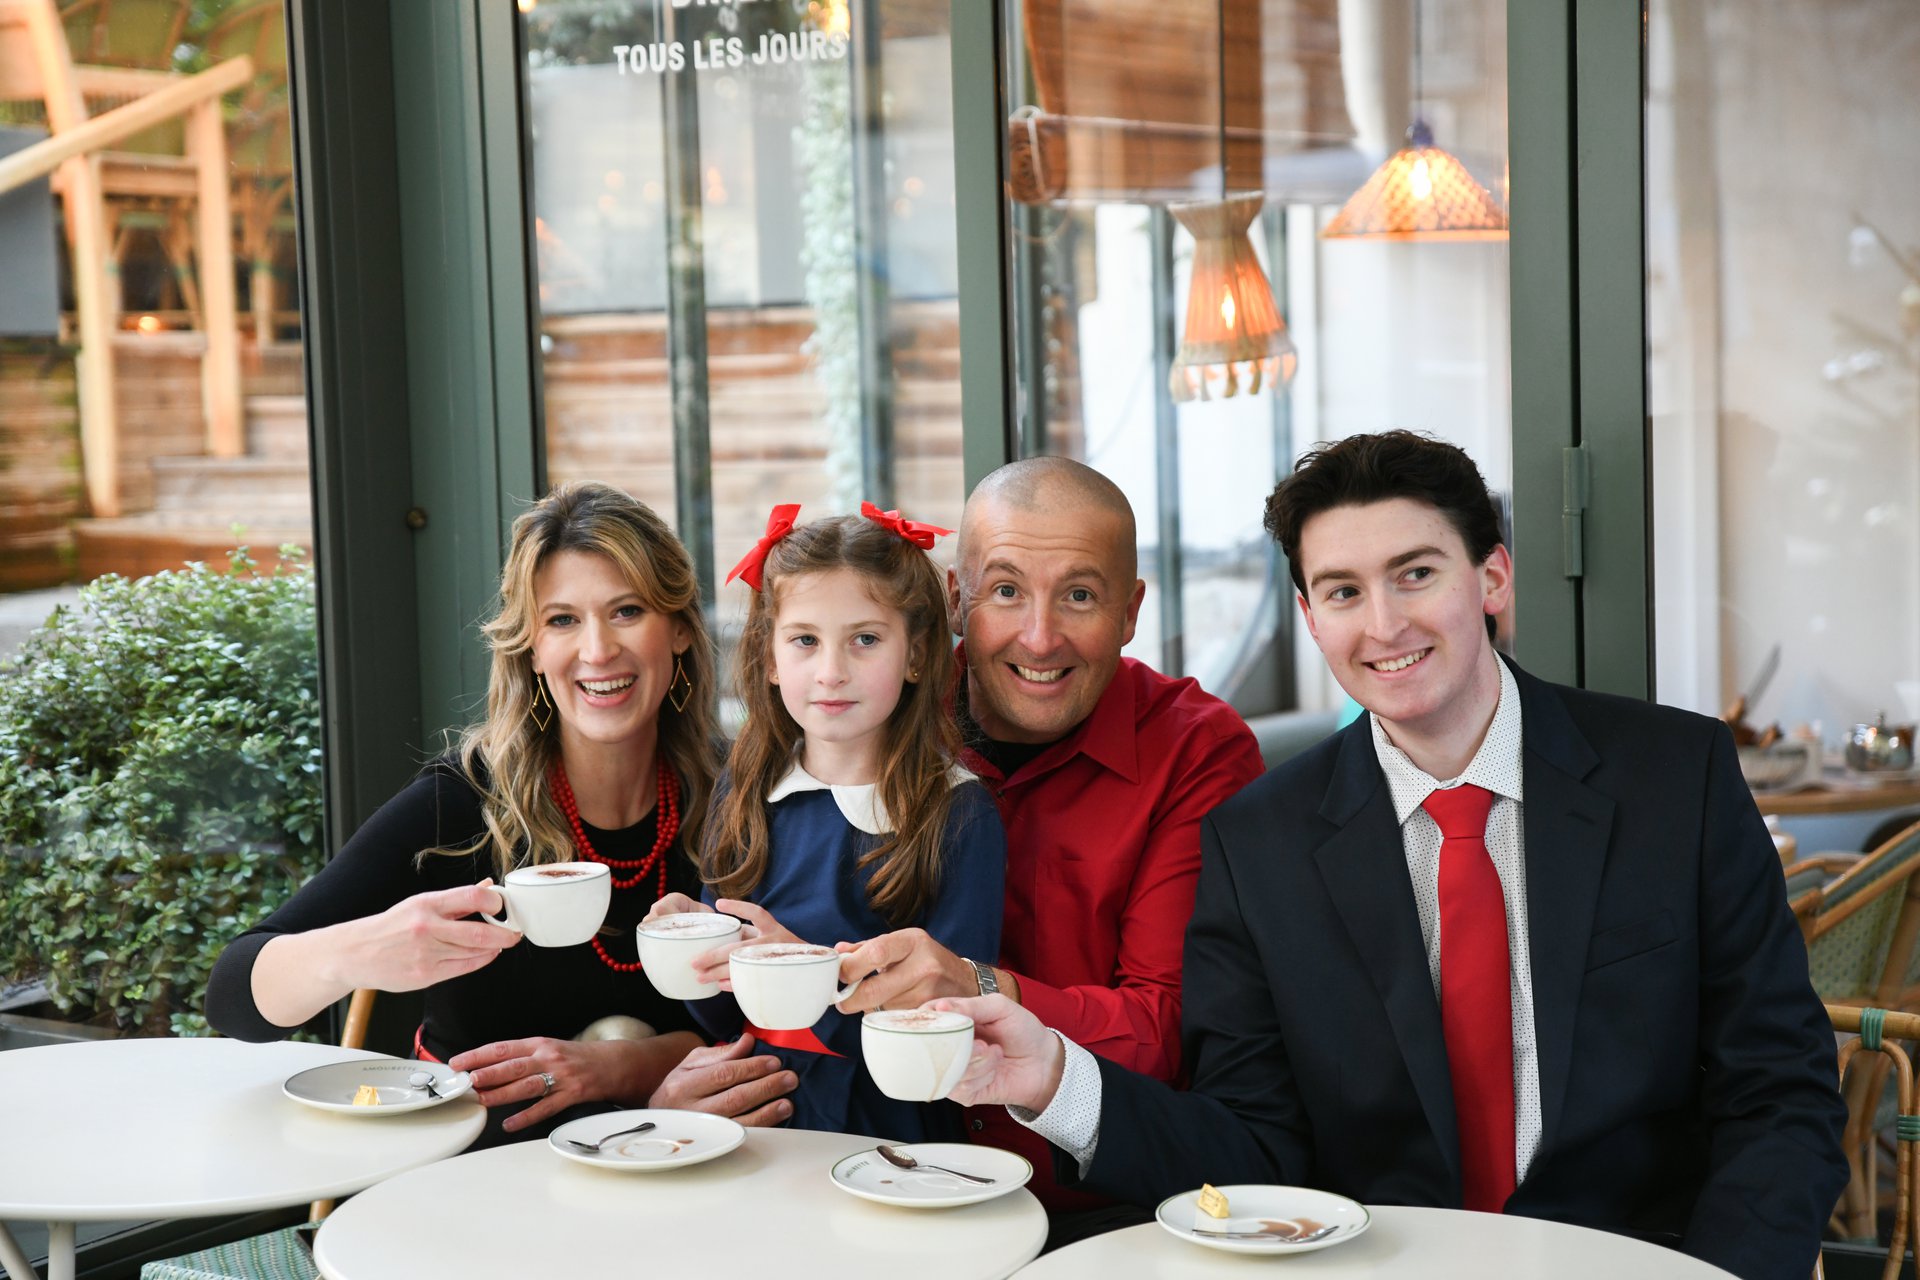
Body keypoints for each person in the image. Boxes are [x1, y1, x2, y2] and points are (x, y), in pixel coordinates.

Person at [935, 431, 1848, 1280]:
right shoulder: (1260, 843)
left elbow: (1779, 1092)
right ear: (1308, 614)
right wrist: (1056, 1078)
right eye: (1342, 592)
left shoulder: (1673, 776)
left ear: (1491, 577)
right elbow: (1251, 1152)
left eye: (1414, 574)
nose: (1383, 625)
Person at [207, 482, 797, 1145]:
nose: (597, 650)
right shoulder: (459, 804)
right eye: (563, 620)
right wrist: (356, 952)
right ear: (531, 647)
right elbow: (235, 998)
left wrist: (615, 1071)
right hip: (478, 1173)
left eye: (627, 611)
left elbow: (771, 1013)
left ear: (681, 629)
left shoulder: (742, 795)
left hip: (684, 1166)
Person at [833, 459, 1266, 1213]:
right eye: (1006, 591)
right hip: (872, 1176)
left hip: (1101, 1209)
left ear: (1130, 612)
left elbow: (1167, 1030)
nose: (1040, 638)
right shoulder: (873, 714)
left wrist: (979, 988)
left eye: (1079, 596)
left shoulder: (1197, 753)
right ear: (956, 598)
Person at [647, 503, 1005, 1143]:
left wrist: (794, 967)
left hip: (890, 1136)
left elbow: (950, 1027)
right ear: (769, 657)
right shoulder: (745, 788)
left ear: (917, 655)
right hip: (754, 1123)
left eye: (865, 639)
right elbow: (717, 1019)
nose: (831, 670)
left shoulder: (959, 813)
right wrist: (691, 954)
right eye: (805, 640)